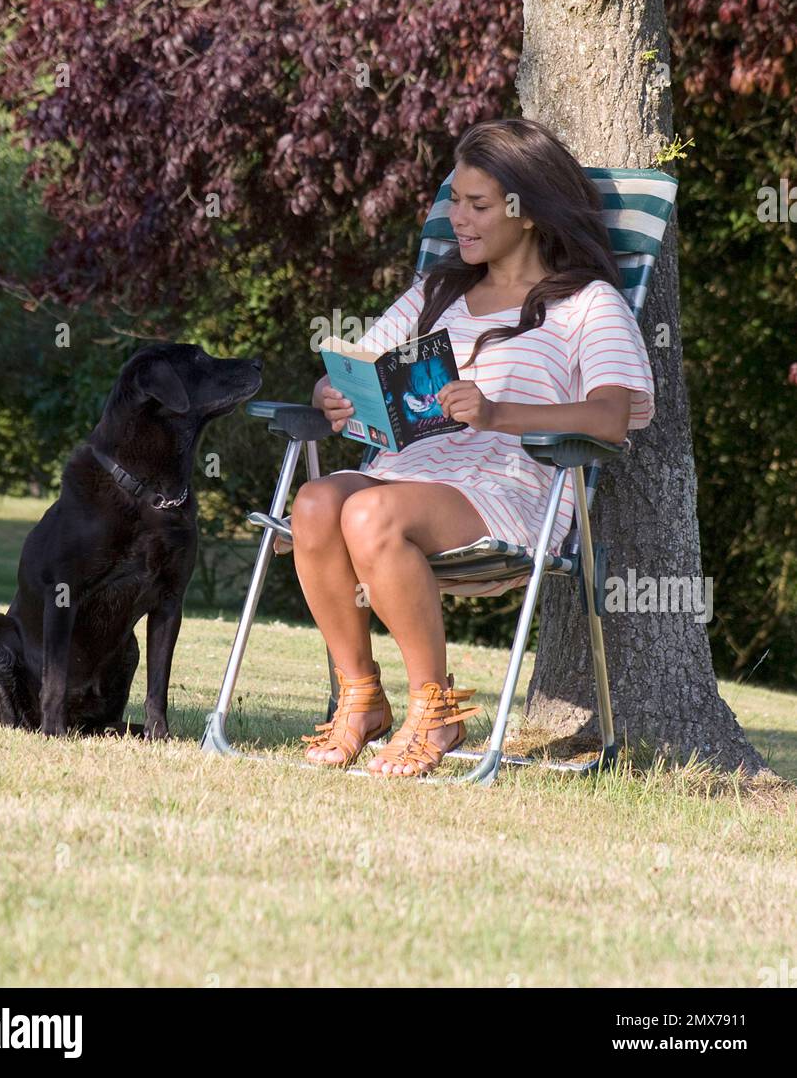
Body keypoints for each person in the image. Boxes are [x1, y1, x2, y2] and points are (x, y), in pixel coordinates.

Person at [278, 118, 655, 778]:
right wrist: (331, 392)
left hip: (509, 484)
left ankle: (436, 709)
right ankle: (361, 697)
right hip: (414, 467)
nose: (458, 218)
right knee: (312, 503)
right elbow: (358, 360)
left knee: (370, 514)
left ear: (528, 210)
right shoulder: (438, 291)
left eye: (476, 205)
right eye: (454, 200)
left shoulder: (587, 304)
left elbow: (612, 418)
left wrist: (497, 411)